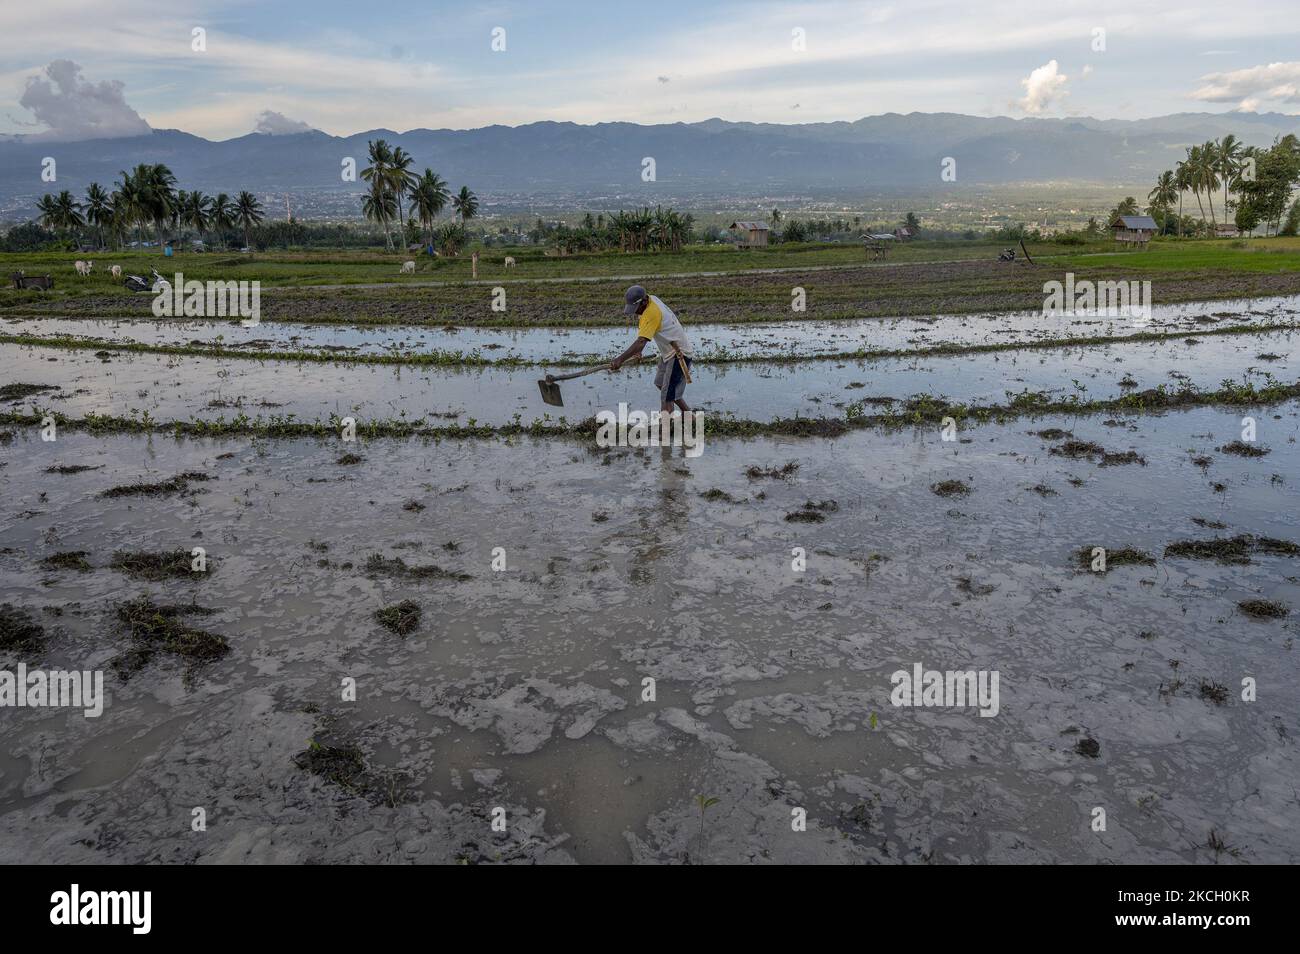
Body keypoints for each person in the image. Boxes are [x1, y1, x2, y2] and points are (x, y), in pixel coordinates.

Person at [610, 285, 693, 418]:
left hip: (679, 354)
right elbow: (644, 335)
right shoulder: (650, 300)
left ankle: (663, 433)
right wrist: (637, 351)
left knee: (667, 396)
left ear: (643, 302)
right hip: (669, 352)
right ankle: (689, 415)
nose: (636, 312)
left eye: (636, 308)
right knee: (661, 385)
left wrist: (620, 359)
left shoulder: (651, 312)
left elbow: (641, 341)